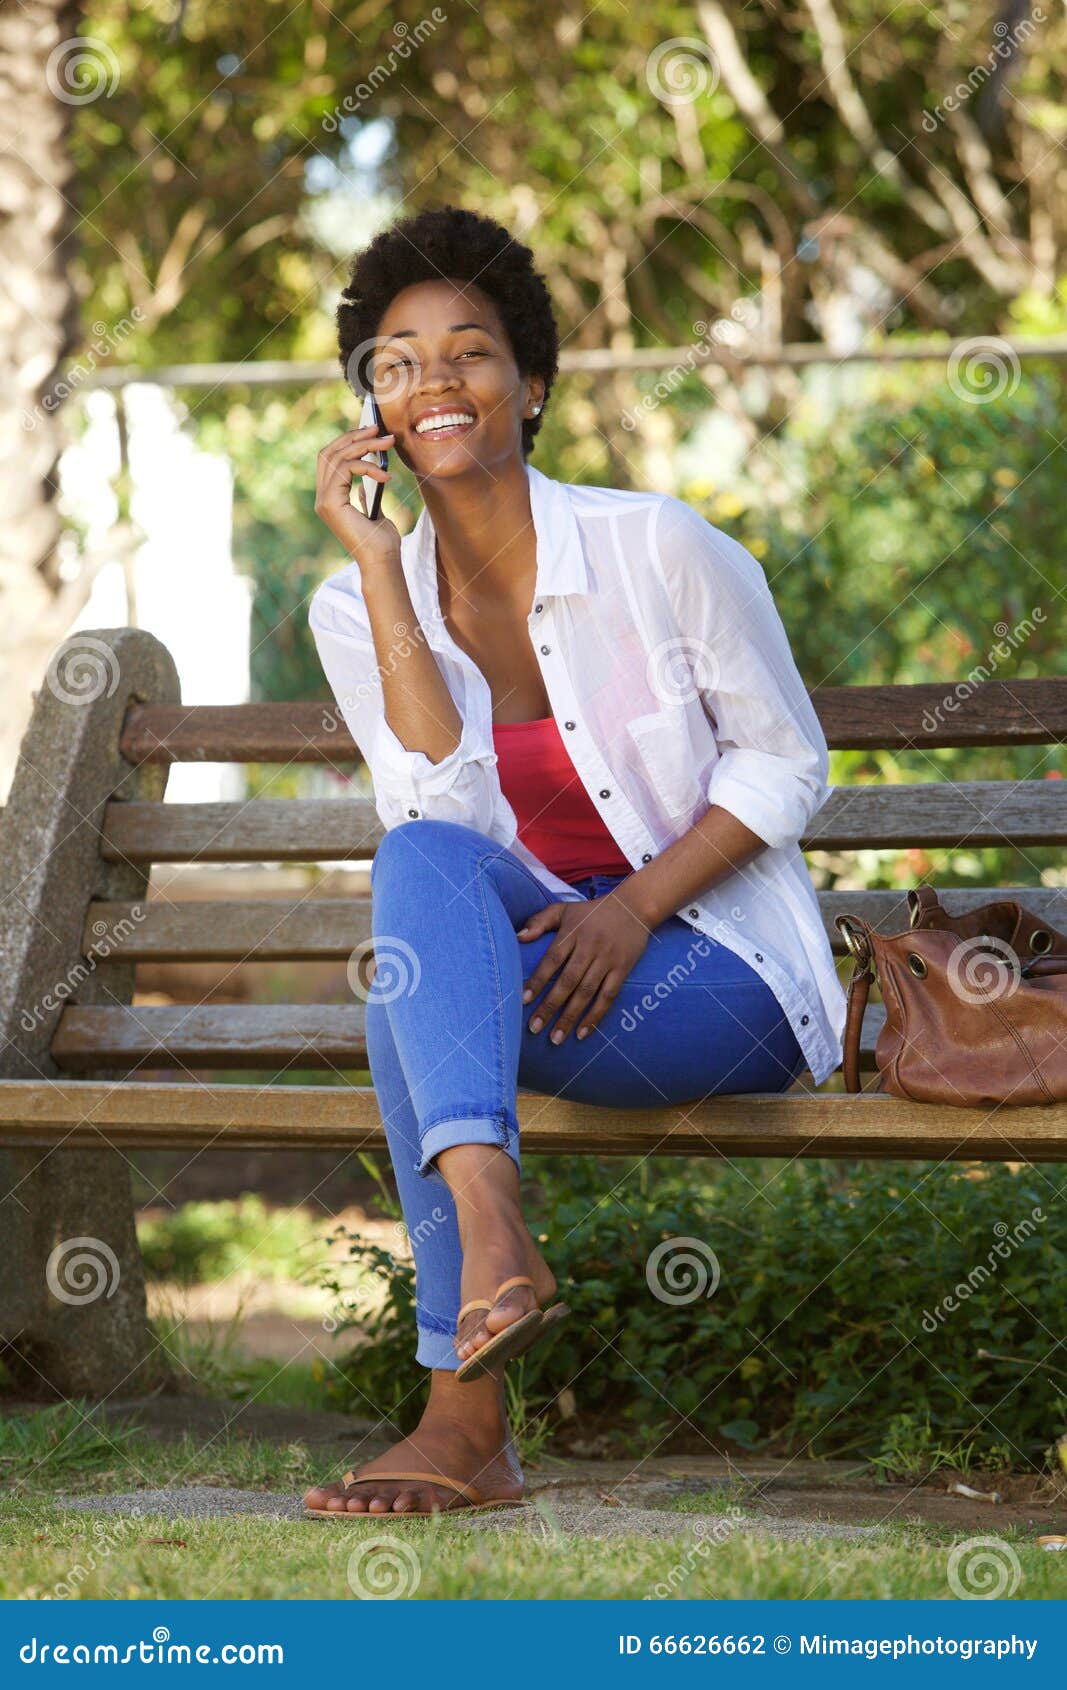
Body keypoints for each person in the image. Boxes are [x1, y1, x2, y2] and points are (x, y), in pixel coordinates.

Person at [301, 204, 846, 1519]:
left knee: (409, 1005)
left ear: (530, 384)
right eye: (397, 360)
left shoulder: (656, 546)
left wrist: (632, 911)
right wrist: (382, 570)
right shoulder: (350, 602)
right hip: (539, 975)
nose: (434, 381)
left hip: (716, 974)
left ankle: (463, 1415)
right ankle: (496, 1229)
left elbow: (786, 763)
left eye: (471, 352)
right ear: (370, 407)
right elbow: (433, 803)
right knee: (419, 869)